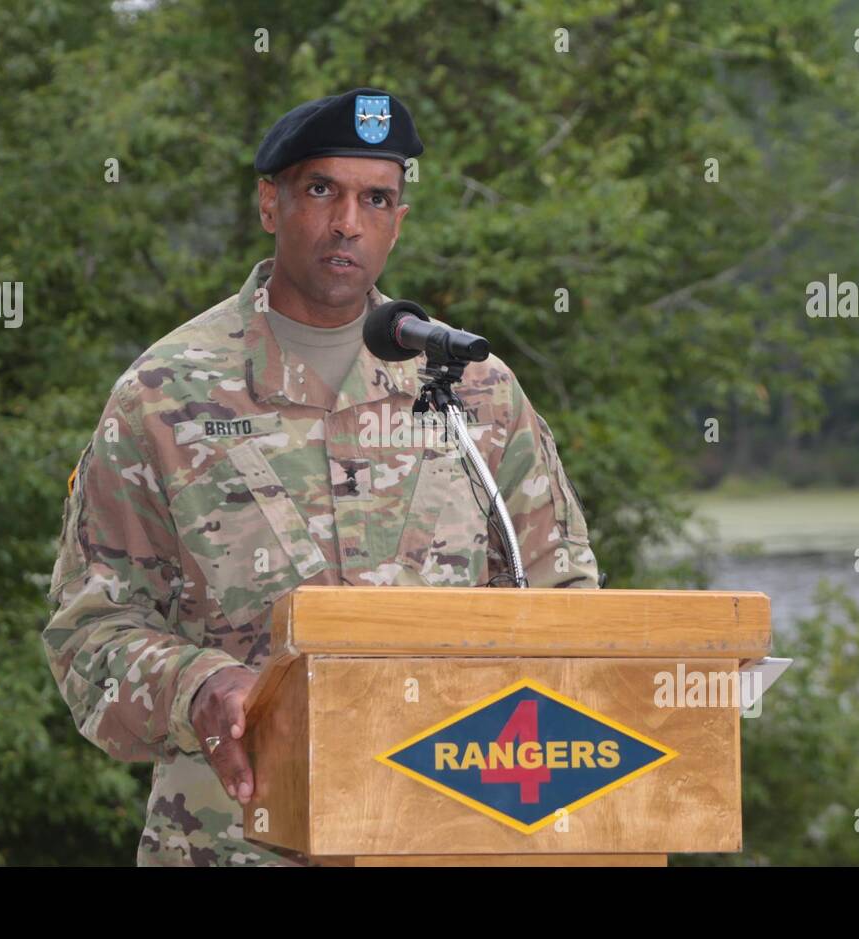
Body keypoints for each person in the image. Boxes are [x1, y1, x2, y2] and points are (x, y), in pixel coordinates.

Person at [41, 87, 599, 866]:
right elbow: (89, 633)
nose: (348, 223)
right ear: (270, 204)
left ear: (400, 219)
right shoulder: (165, 396)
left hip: (450, 835)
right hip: (236, 842)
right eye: (321, 191)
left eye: (377, 199)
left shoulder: (475, 392)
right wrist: (201, 689)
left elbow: (569, 603)